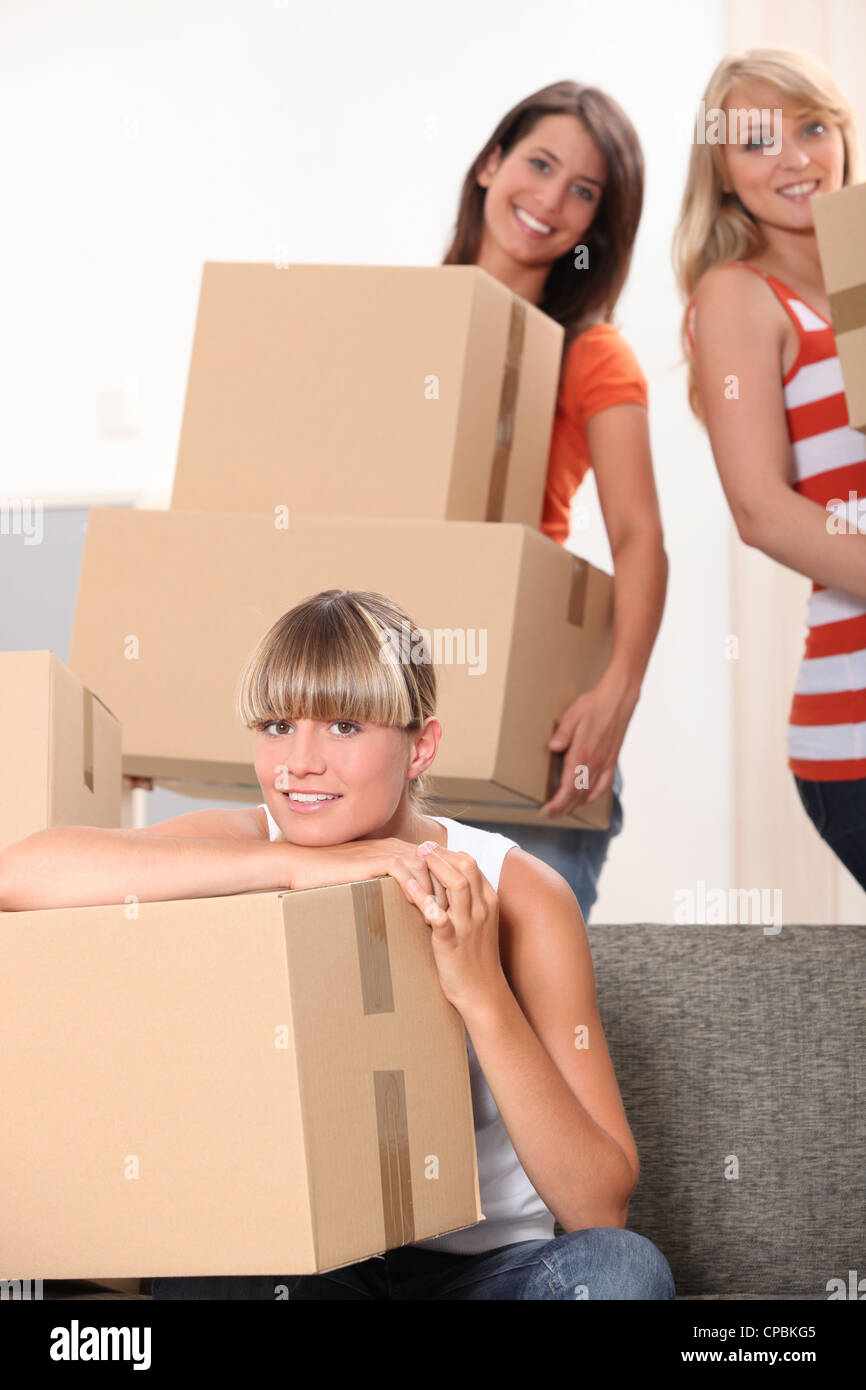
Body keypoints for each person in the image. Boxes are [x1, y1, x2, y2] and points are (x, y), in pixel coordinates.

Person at [1, 589, 675, 1301]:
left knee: (622, 1273)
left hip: (484, 1273)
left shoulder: (523, 893)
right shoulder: (250, 842)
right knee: (204, 1265)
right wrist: (296, 865)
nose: (299, 763)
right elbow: (19, 877)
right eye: (276, 725)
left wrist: (481, 993)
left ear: (421, 747)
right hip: (312, 1265)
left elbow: (600, 1206)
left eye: (345, 726)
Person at [441, 81, 668, 921]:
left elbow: (641, 534)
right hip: (389, 702)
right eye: (539, 164)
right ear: (490, 163)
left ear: (598, 227)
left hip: (522, 709)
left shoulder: (593, 354)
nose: (550, 201)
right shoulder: (401, 325)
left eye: (584, 191)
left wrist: (617, 694)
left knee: (523, 1006)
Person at [674, 48, 866, 890]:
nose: (794, 157)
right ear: (719, 171)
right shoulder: (738, 294)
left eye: (812, 127)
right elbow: (761, 509)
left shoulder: (860, 268)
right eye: (756, 141)